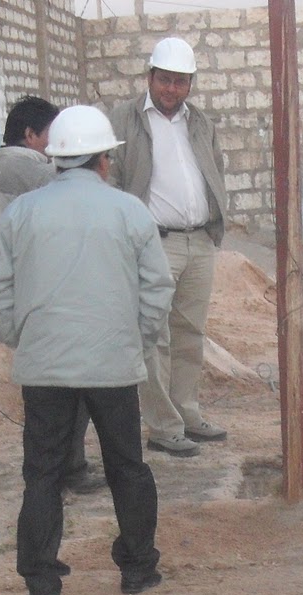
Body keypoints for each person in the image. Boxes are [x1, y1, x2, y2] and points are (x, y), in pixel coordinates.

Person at [0, 105, 174, 595]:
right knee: (127, 467)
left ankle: (42, 586)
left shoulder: (23, 212)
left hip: (44, 367)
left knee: (42, 474)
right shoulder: (130, 211)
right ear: (105, 160)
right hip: (113, 364)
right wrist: (139, 338)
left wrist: (17, 336)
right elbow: (157, 287)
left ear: (56, 158)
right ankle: (138, 568)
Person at [0, 95, 105, 495]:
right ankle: (72, 469)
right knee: (76, 390)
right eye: (51, 135)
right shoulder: (39, 174)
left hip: (21, 298)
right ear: (30, 135)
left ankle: (48, 472)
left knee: (43, 397)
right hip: (56, 295)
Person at [108, 36, 230, 459]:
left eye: (180, 82)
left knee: (189, 334)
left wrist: (216, 221)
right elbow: (112, 179)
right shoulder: (124, 120)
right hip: (153, 241)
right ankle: (163, 426)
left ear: (190, 84)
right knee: (154, 337)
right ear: (150, 77)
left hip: (199, 240)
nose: (171, 90)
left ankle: (188, 414)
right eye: (165, 80)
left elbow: (214, 171)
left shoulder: (200, 123)